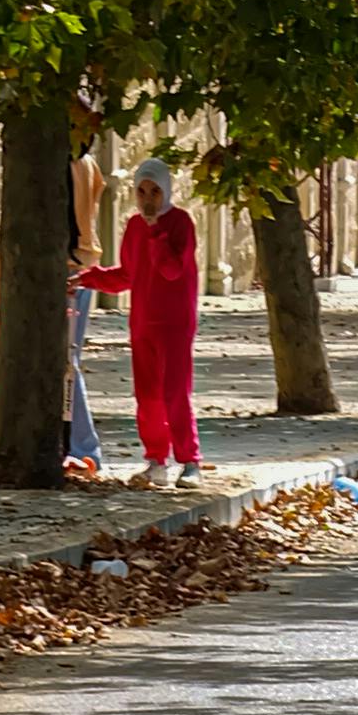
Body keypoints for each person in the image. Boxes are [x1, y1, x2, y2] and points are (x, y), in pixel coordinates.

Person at [83, 156, 204, 486]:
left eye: (154, 192)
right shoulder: (134, 226)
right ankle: (155, 460)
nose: (148, 199)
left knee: (174, 392)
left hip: (175, 322)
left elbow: (171, 269)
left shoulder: (180, 223)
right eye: (142, 192)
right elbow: (126, 274)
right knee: (147, 395)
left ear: (166, 191)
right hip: (143, 322)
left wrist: (157, 234)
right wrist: (88, 278)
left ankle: (190, 461)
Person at [64, 132, 106, 478]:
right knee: (68, 359)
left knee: (67, 362)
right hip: (84, 262)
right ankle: (74, 444)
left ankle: (83, 447)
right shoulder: (89, 164)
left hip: (70, 266)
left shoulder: (66, 166)